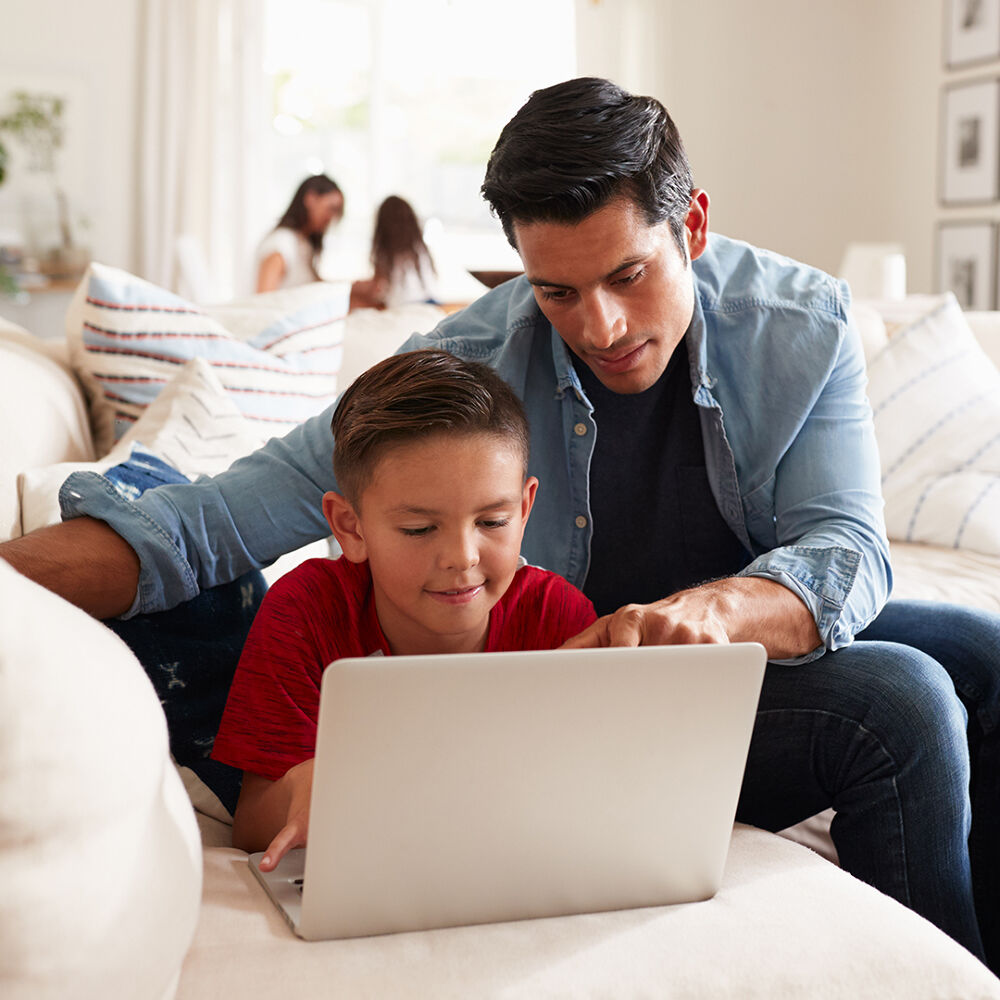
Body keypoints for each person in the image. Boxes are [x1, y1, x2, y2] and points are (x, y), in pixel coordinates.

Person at [2, 77, 999, 972]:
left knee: (983, 653)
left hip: (724, 645)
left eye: (626, 275)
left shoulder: (801, 324)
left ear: (691, 225)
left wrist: (716, 608)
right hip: (576, 680)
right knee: (903, 697)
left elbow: (844, 551)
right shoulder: (468, 361)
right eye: (555, 290)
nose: (599, 326)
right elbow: (205, 527)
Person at [210, 349, 596, 870]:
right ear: (350, 528)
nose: (462, 557)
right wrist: (302, 788)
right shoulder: (307, 611)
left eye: (492, 521)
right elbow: (250, 826)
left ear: (525, 508)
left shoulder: (559, 618)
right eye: (419, 529)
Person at [255, 173, 344, 293]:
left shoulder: (304, 244)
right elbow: (263, 299)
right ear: (310, 198)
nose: (332, 217)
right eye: (331, 208)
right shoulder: (280, 244)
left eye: (337, 211)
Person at [368, 194, 440, 307]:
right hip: (432, 302)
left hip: (402, 306)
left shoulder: (385, 254)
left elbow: (378, 291)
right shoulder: (421, 248)